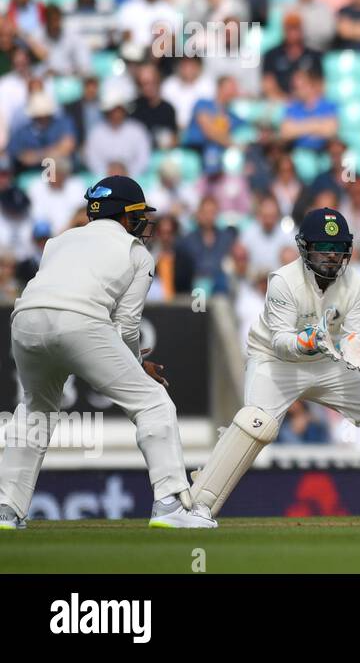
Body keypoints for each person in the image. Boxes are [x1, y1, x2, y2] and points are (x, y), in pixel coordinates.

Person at [0, 175, 213, 529]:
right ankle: (170, 504)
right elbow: (127, 326)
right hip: (79, 321)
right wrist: (137, 364)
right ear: (125, 216)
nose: (143, 223)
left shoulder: (58, 241)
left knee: (35, 412)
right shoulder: (137, 253)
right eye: (138, 215)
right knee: (152, 402)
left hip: (24, 320)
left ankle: (6, 509)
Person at [188, 208, 360, 526]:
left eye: (337, 249)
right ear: (305, 248)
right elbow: (280, 342)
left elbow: (353, 337)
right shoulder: (283, 282)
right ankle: (197, 505)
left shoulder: (357, 285)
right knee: (256, 422)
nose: (331, 257)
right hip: (276, 363)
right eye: (323, 248)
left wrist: (356, 347)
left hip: (330, 362)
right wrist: (307, 341)